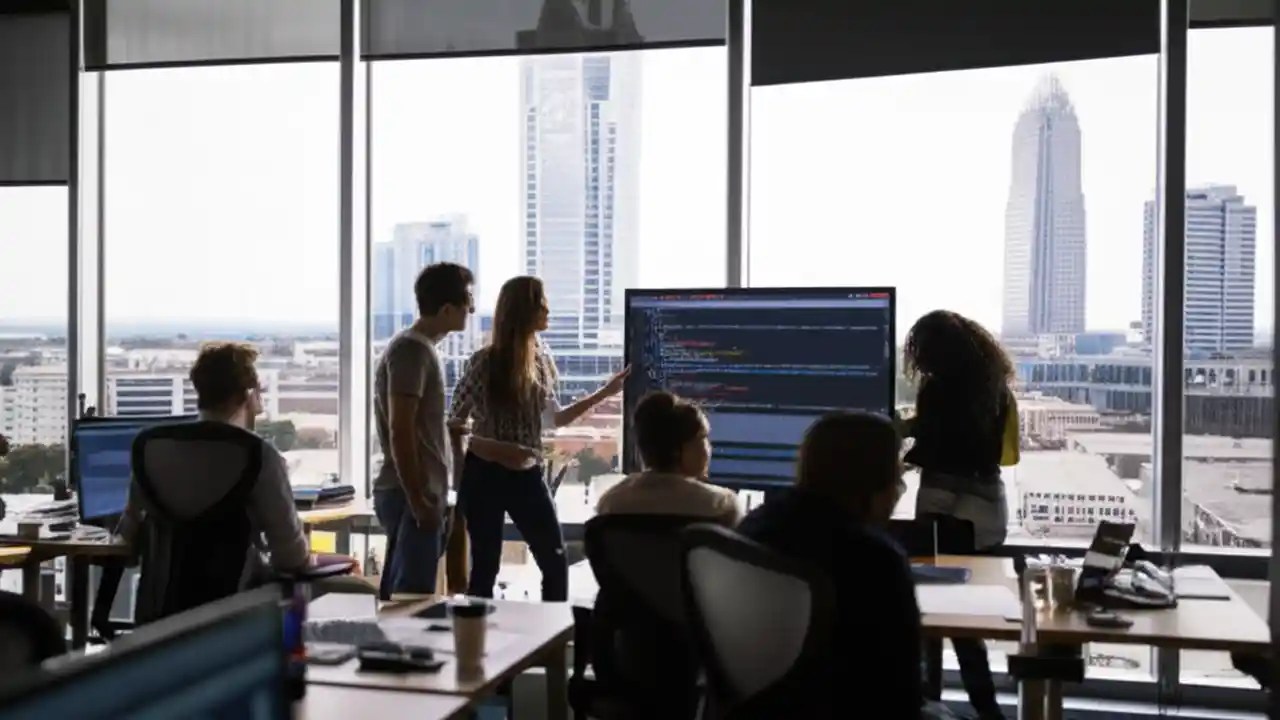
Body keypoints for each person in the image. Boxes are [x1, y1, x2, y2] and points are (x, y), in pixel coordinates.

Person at [450, 275, 627, 602]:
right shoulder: (484, 362)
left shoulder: (540, 362)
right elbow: (455, 421)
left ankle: (551, 630)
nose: (547, 309)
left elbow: (555, 419)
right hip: (484, 474)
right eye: (541, 303)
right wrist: (482, 456)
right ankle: (478, 632)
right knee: (485, 568)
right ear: (523, 310)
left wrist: (606, 392)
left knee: (554, 562)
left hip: (526, 474)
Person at [737, 412, 923, 719]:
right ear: (874, 484)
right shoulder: (876, 559)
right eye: (897, 477)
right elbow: (902, 694)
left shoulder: (754, 527)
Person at [117, 342, 330, 598]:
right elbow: (291, 559)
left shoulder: (150, 447)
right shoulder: (258, 455)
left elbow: (126, 544)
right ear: (249, 394)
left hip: (157, 614)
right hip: (234, 613)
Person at [901, 309, 1018, 720]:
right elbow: (985, 446)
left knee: (930, 611)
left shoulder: (937, 389)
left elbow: (936, 444)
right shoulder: (994, 386)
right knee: (967, 620)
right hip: (987, 505)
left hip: (942, 500)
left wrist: (902, 436)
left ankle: (928, 703)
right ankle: (987, 709)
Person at [372, 262, 474, 599]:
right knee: (411, 600)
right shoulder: (411, 351)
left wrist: (444, 431)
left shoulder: (419, 349)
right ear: (447, 309)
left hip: (417, 491)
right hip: (410, 493)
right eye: (468, 301)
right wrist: (418, 499)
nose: (472, 309)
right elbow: (400, 429)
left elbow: (412, 425)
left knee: (402, 597)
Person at [596, 391, 740, 526]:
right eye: (703, 437)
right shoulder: (722, 506)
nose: (709, 448)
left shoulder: (610, 504)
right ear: (677, 451)